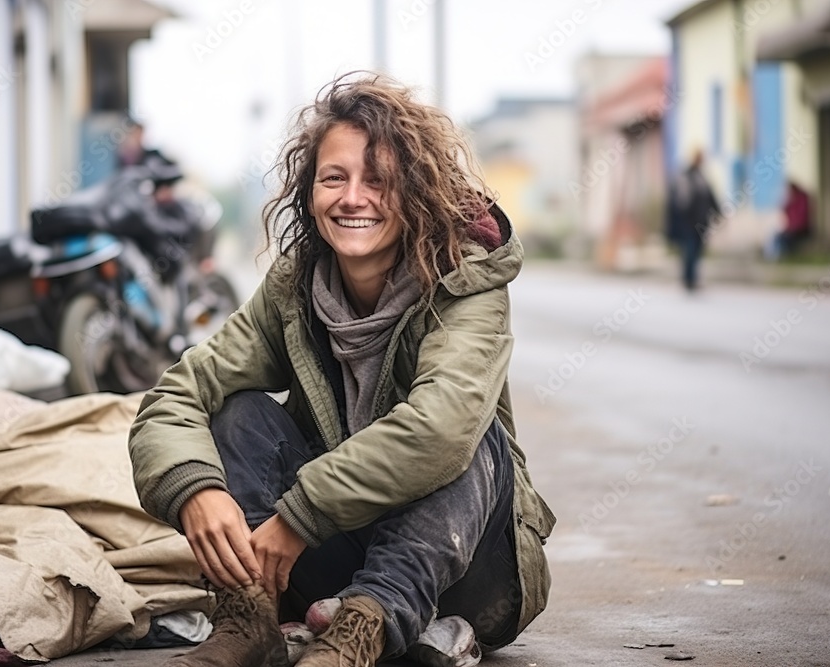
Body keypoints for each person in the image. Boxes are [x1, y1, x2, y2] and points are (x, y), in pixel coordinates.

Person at [128, 72, 555, 667]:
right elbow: (179, 392)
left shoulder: (467, 280)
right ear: (310, 194)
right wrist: (195, 488)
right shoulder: (293, 291)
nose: (353, 198)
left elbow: (440, 428)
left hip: (470, 570)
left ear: (417, 194)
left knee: (471, 437)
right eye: (335, 177)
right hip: (330, 556)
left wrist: (301, 514)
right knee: (235, 411)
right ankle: (250, 618)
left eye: (379, 181)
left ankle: (363, 629)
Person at [667, 148, 722, 291]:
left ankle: (692, 278)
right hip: (688, 223)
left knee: (696, 251)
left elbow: (710, 197)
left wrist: (718, 213)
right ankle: (688, 280)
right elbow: (680, 203)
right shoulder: (686, 176)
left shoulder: (701, 177)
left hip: (701, 222)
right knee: (689, 251)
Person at [765, 179, 812, 260]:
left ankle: (781, 256)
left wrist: (792, 228)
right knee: (777, 236)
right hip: (793, 228)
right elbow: (784, 208)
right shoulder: (792, 200)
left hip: (801, 229)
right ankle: (774, 256)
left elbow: (801, 218)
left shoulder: (801, 199)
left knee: (783, 238)